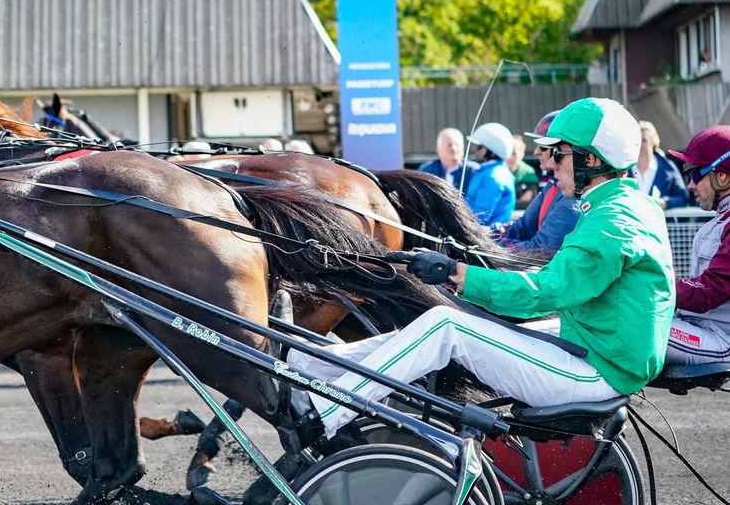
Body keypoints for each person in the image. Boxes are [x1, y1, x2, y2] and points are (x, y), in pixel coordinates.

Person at [287, 98, 674, 443]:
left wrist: (457, 273)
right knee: (452, 319)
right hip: (593, 345)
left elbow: (544, 292)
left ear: (591, 160)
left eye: (557, 153)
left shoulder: (613, 221)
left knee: (445, 325)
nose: (544, 161)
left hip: (596, 372)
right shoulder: (623, 206)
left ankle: (325, 415)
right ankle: (308, 365)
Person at [663, 125, 730, 365]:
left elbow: (710, 289)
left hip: (722, 340)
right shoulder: (721, 220)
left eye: (694, 174)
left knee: (631, 324)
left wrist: (650, 288)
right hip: (703, 329)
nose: (690, 185)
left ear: (721, 177)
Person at [498, 109, 582, 254]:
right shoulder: (553, 184)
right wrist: (491, 235)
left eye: (543, 147)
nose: (536, 151)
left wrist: (492, 245)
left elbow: (541, 251)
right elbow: (523, 228)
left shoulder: (572, 197)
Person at [461, 122, 517, 226]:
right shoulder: (489, 171)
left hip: (490, 236)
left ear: (490, 150)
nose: (474, 150)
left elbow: (481, 215)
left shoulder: (493, 176)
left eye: (479, 147)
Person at [634, 120, 688, 209]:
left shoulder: (669, 168)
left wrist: (666, 202)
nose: (640, 144)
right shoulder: (624, 169)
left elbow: (683, 198)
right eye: (636, 140)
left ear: (653, 142)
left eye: (644, 140)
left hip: (660, 222)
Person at [507, 135, 541, 208]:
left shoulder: (528, 173)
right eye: (508, 152)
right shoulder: (498, 171)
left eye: (514, 153)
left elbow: (528, 199)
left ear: (521, 154)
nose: (510, 156)